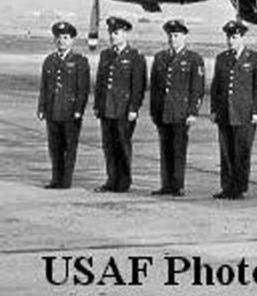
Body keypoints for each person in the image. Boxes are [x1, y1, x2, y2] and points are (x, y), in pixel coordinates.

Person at [210, 20, 257, 199]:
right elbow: (216, 87)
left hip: (244, 113)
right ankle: (227, 187)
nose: (230, 41)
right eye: (229, 37)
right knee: (226, 152)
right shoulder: (222, 58)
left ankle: (239, 188)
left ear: (242, 38)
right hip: (225, 112)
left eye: (234, 37)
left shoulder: (255, 58)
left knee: (241, 152)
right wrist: (214, 110)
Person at [149, 19, 205, 196]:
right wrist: (154, 111)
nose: (173, 39)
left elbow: (197, 88)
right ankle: (166, 185)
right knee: (165, 150)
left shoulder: (193, 59)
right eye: (171, 36)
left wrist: (193, 112)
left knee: (178, 150)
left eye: (177, 35)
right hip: (163, 112)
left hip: (181, 113)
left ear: (184, 37)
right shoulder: (160, 58)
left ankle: (177, 185)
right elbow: (155, 87)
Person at [94, 16, 147, 192]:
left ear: (125, 34)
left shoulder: (135, 57)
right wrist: (98, 105)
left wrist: (134, 108)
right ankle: (111, 179)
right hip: (107, 108)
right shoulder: (106, 55)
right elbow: (101, 83)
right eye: (111, 33)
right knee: (108, 146)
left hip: (124, 110)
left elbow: (138, 85)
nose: (112, 36)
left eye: (116, 33)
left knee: (123, 145)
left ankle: (123, 182)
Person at [37, 21, 90, 189]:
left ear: (72, 40)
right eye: (59, 38)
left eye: (66, 38)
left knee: (69, 147)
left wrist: (78, 110)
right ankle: (56, 179)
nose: (61, 41)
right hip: (52, 110)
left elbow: (83, 88)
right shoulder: (49, 61)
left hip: (69, 111)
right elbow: (44, 87)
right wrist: (41, 108)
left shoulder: (79, 61)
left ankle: (65, 180)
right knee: (55, 147)